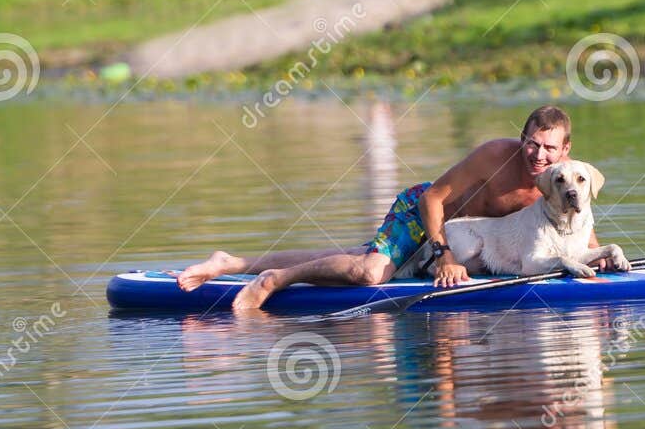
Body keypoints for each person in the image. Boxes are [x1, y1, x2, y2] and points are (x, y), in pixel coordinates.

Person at [174, 105, 613, 312]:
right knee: (369, 274)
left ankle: (231, 263)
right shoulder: (494, 155)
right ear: (521, 138)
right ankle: (275, 280)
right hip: (425, 217)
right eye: (531, 143)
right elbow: (432, 199)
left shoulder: (560, 183)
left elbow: (579, 236)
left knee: (355, 260)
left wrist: (604, 262)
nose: (537, 155)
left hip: (459, 239)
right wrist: (444, 255)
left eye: (549, 148)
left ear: (565, 150)